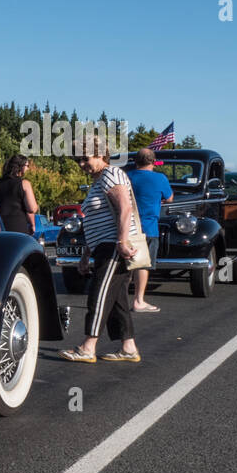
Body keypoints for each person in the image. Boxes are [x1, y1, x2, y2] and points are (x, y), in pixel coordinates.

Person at [60, 138, 141, 363]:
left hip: (114, 245)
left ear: (100, 155)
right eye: (78, 160)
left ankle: (88, 347)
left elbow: (125, 208)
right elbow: (95, 221)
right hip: (103, 246)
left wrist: (122, 241)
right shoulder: (98, 180)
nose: (81, 164)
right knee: (117, 300)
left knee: (99, 294)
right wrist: (86, 255)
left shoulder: (110, 174)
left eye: (85, 159)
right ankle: (128, 348)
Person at [125, 147, 173, 313]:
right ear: (153, 162)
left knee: (125, 265)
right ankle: (138, 300)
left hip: (127, 228)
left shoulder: (127, 176)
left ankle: (119, 299)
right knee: (142, 265)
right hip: (149, 228)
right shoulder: (160, 178)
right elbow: (169, 198)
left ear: (135, 161)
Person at [0, 155, 38, 234]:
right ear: (21, 167)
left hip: (0, 228)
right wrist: (32, 224)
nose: (28, 169)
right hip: (18, 228)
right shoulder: (24, 184)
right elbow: (32, 209)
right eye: (27, 166)